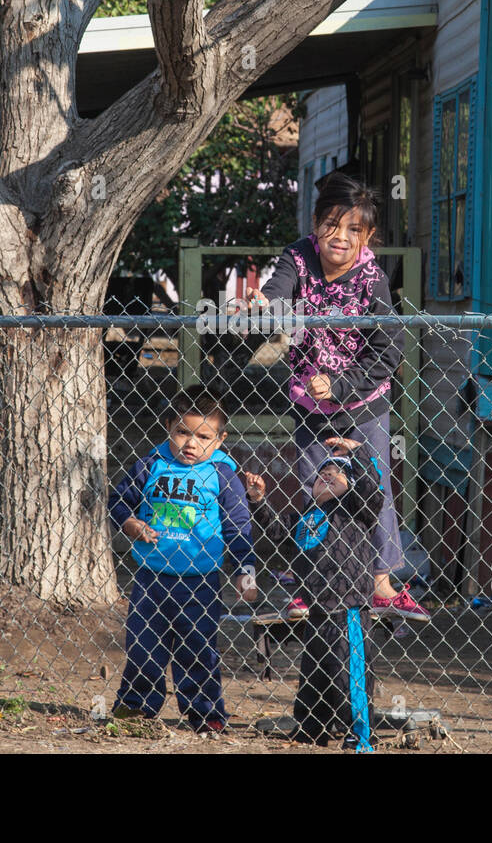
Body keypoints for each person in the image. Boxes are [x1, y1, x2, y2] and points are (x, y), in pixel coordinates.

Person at [244, 171, 429, 623]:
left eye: (353, 229)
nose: (340, 237)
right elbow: (278, 290)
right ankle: (311, 584)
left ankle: (382, 583)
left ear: (367, 236)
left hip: (364, 403)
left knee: (375, 491)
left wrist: (343, 385)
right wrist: (265, 305)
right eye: (331, 223)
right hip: (311, 406)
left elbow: (389, 349)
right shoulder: (298, 258)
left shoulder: (372, 279)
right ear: (315, 223)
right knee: (316, 489)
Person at [108, 386, 256, 733]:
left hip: (200, 582)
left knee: (198, 650)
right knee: (143, 647)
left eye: (203, 436)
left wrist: (245, 570)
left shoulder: (223, 476)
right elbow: (118, 500)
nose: (191, 443)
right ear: (168, 426)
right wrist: (130, 523)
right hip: (150, 578)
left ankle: (205, 714)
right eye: (182, 432)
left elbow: (238, 527)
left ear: (220, 439)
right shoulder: (150, 464)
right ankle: (135, 708)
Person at [245, 437, 383, 750]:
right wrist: (259, 501)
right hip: (317, 609)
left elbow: (372, 490)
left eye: (337, 473)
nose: (327, 475)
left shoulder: (356, 512)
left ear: (353, 483)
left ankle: (359, 733)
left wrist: (356, 452)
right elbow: (277, 530)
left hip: (348, 606)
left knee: (349, 674)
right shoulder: (307, 516)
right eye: (322, 473)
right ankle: (311, 726)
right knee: (314, 676)